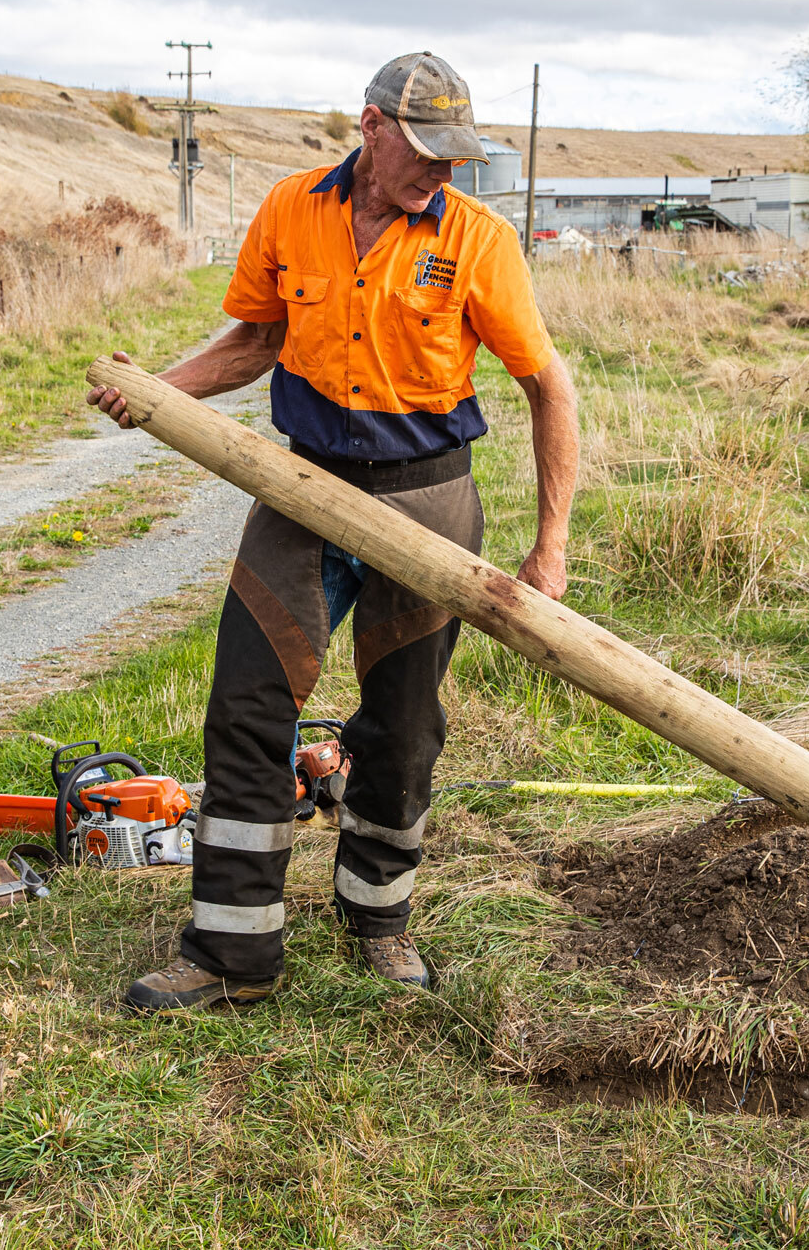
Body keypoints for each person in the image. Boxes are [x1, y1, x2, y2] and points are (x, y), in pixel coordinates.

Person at [88, 51, 578, 1010]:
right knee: (247, 706)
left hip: (427, 503)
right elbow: (260, 341)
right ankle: (234, 954)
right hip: (302, 490)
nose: (443, 172)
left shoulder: (478, 239)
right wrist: (155, 392)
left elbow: (545, 387)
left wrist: (549, 543)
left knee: (401, 728)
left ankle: (379, 922)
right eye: (426, 151)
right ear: (371, 127)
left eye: (456, 157)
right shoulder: (292, 209)